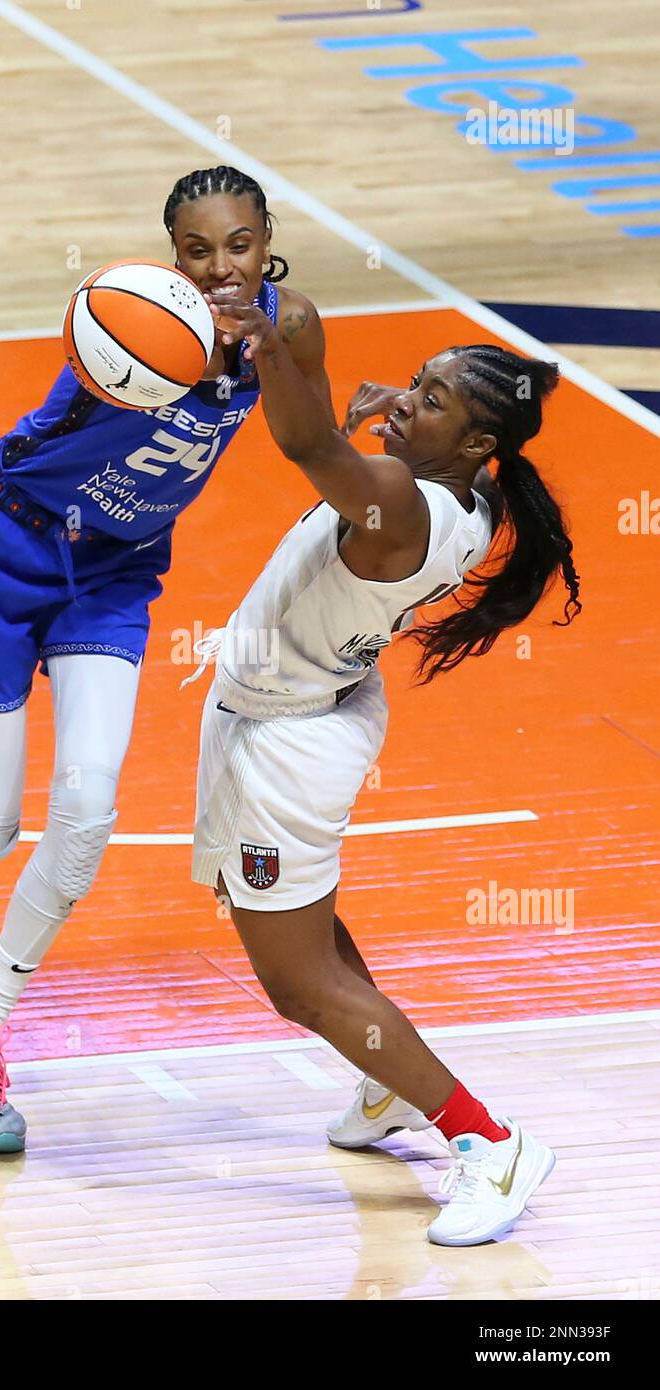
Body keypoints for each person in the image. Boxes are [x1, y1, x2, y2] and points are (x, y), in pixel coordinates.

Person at [0, 166, 334, 1154]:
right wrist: (195, 345)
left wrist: (273, 355)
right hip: (8, 544)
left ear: (268, 241)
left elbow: (309, 439)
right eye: (198, 250)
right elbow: (116, 392)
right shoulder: (131, 317)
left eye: (239, 245)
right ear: (172, 255)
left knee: (86, 810)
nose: (220, 267)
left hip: (114, 570)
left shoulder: (290, 324)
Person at [191, 295, 581, 1245]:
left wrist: (273, 333)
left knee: (298, 985)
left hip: (285, 742)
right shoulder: (455, 493)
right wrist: (325, 371)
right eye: (418, 382)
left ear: (479, 440)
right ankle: (387, 1079)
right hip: (297, 714)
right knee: (309, 940)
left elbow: (306, 444)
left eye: (434, 400)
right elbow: (332, 441)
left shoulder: (400, 506)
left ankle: (490, 1142)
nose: (409, 402)